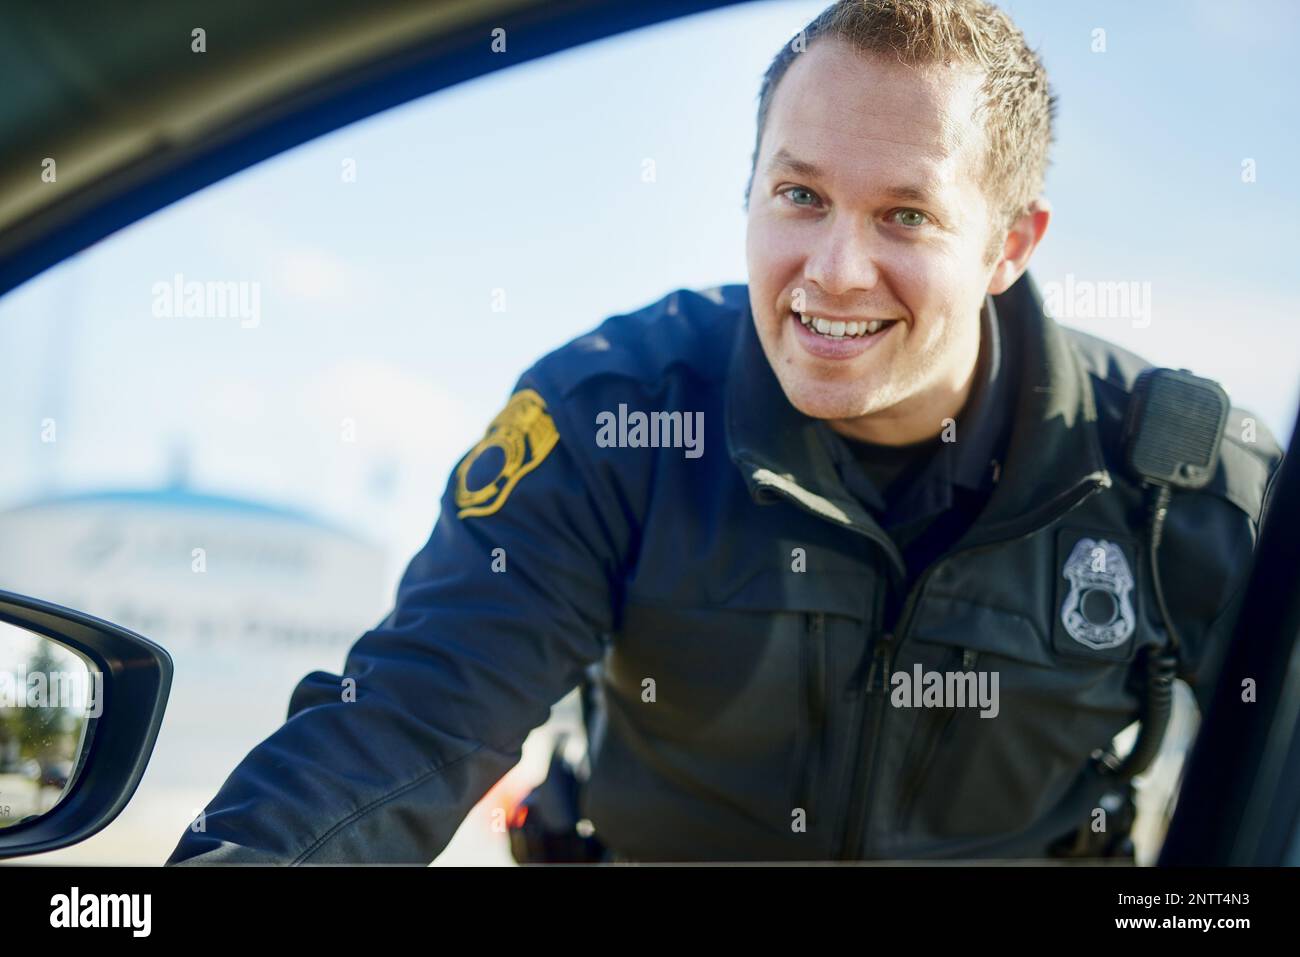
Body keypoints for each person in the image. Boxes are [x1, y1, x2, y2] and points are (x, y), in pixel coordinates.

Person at [167, 0, 1283, 865]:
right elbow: (407, 726)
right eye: (799, 196)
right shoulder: (611, 420)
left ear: (1008, 245)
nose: (834, 271)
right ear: (748, 190)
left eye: (905, 214)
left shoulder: (1172, 476)